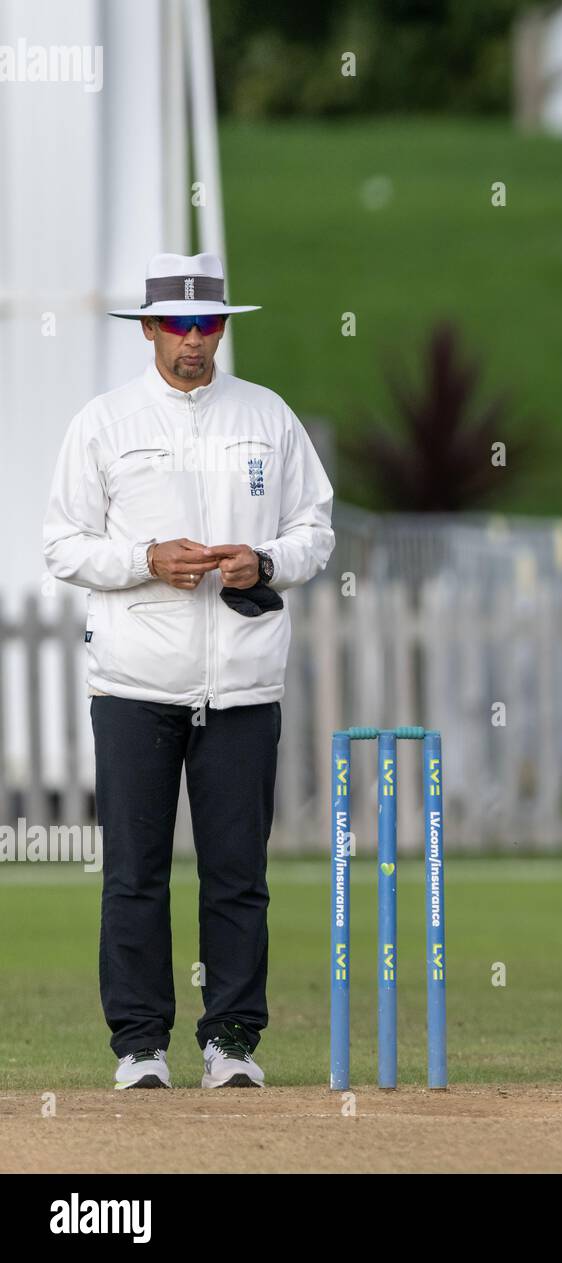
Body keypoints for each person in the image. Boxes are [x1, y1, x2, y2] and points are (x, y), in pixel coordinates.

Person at [43, 252, 335, 1089]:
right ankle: (140, 1045)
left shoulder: (268, 416)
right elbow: (62, 543)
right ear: (148, 329)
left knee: (237, 873)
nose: (195, 342)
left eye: (209, 325)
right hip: (134, 683)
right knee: (135, 872)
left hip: (242, 682)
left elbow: (315, 530)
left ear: (223, 328)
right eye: (179, 325)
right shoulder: (104, 422)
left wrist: (264, 560)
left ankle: (233, 1042)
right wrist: (144, 559)